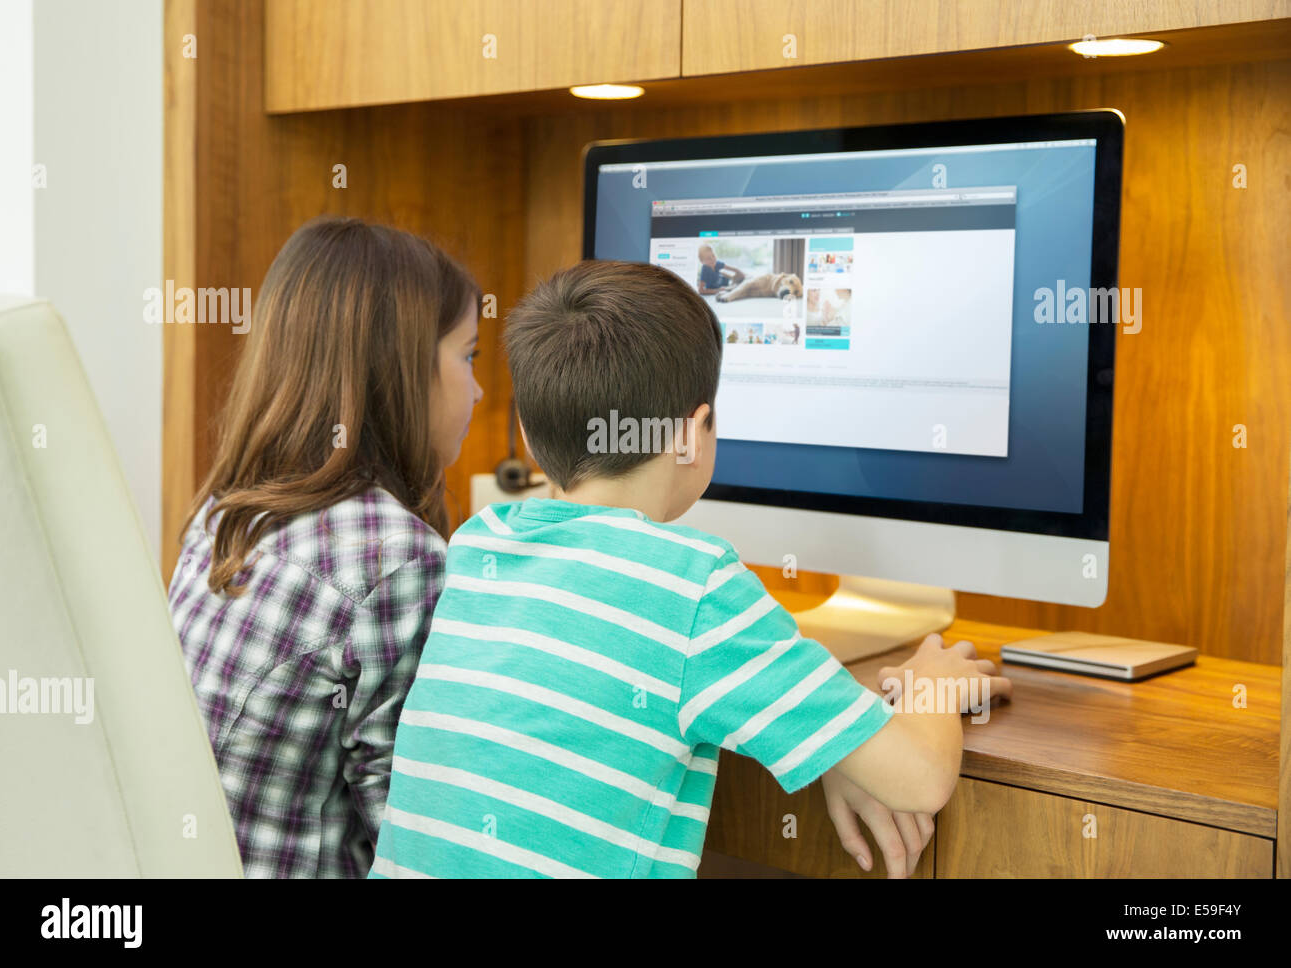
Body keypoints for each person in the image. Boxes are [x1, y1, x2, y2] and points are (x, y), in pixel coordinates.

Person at [372, 260, 1009, 879]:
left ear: (528, 435)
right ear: (695, 432)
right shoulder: (694, 587)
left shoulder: (479, 544)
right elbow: (922, 779)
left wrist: (833, 740)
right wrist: (935, 685)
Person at [168, 215, 484, 877]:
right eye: (469, 355)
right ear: (403, 368)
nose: (480, 390)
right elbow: (413, 840)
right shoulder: (396, 561)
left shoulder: (224, 516)